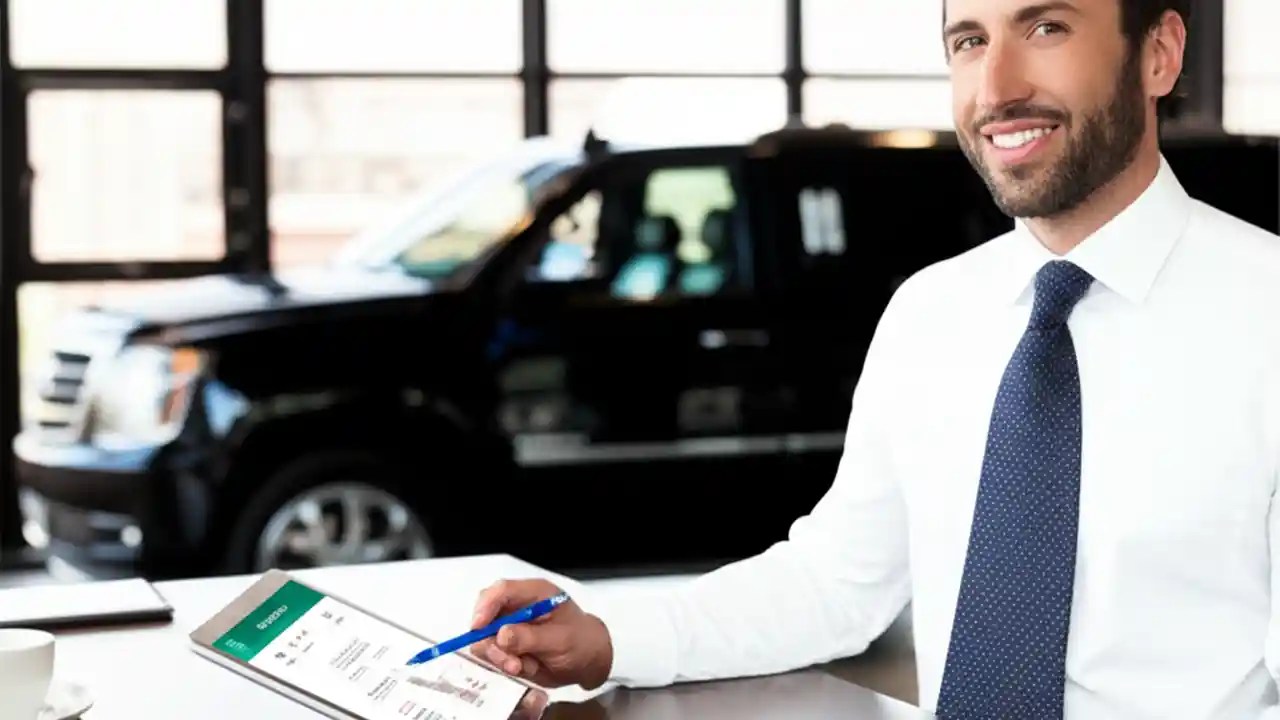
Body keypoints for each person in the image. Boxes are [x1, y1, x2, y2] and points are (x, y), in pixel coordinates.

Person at [464, 0, 1280, 717]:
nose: (996, 88)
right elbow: (835, 585)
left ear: (1159, 54)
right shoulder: (931, 313)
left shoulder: (1264, 315)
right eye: (967, 41)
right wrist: (606, 638)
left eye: (1046, 26)